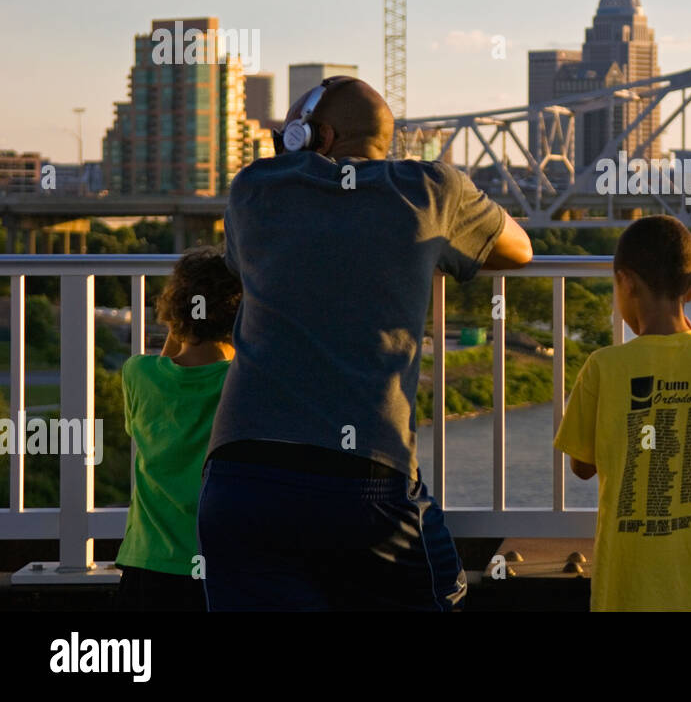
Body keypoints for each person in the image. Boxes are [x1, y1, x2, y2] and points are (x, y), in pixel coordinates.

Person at [197, 76, 532, 611]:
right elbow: (520, 250)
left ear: (319, 136)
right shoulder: (431, 190)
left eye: (291, 133)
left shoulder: (252, 188)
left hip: (241, 476)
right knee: (441, 588)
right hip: (365, 479)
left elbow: (247, 263)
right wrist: (435, 240)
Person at [554, 215, 691, 611]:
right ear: (690, 288)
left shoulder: (603, 367)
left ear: (625, 282)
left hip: (624, 585)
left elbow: (582, 467)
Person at [116, 246, 241, 612]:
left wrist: (180, 320)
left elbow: (167, 365)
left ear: (174, 312)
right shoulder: (241, 382)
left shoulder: (138, 374)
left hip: (146, 564)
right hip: (216, 563)